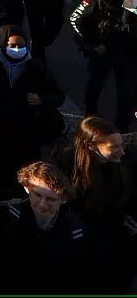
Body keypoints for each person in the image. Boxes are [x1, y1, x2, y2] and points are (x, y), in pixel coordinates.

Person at [0, 26, 65, 198]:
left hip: (26, 133)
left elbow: (57, 95)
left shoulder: (35, 67)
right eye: (12, 45)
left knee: (24, 176)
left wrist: (42, 99)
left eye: (21, 45)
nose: (17, 50)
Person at [48, 116, 137, 291]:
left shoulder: (123, 165)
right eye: (113, 147)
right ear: (91, 146)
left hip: (114, 234)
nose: (122, 152)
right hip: (83, 239)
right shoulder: (66, 167)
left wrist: (129, 217)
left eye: (121, 145)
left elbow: (128, 197)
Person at [0, 162, 87, 296]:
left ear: (63, 199)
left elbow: (75, 275)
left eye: (51, 199)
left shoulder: (74, 229)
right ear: (27, 188)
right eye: (37, 195)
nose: (42, 204)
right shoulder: (10, 217)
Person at [69, 0, 137, 128]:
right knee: (95, 86)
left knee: (127, 91)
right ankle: (90, 120)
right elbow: (75, 19)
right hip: (102, 50)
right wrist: (93, 43)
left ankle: (122, 129)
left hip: (127, 52)